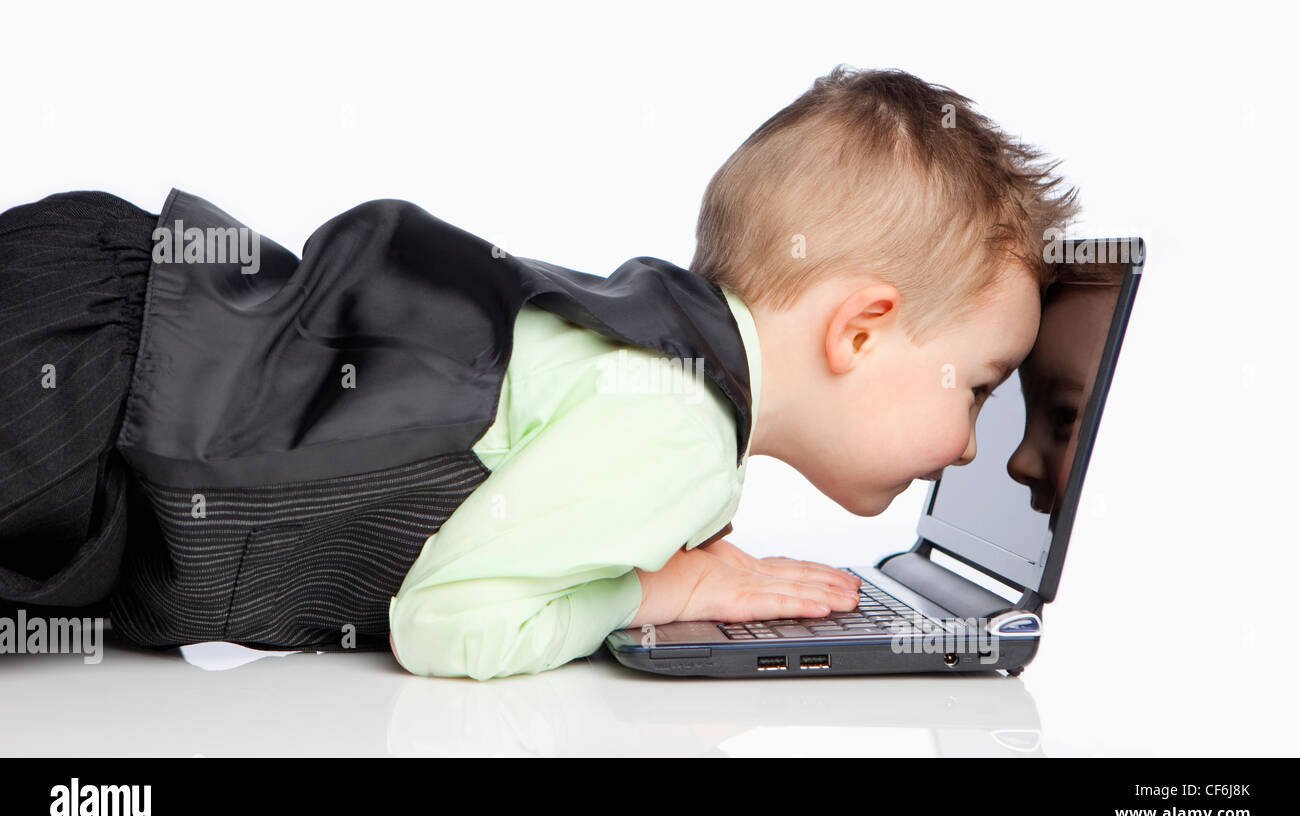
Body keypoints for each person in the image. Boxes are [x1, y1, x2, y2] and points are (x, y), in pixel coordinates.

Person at [0, 65, 1080, 679]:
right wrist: (656, 588)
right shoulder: (681, 439)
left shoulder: (655, 345)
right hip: (85, 397)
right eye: (977, 386)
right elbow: (446, 621)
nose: (970, 446)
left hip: (103, 310)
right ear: (860, 329)